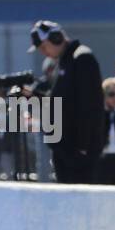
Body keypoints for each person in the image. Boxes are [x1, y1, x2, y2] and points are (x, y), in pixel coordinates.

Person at [29, 18, 104, 183]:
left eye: (43, 47)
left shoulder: (82, 58)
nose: (44, 52)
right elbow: (61, 100)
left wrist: (83, 146)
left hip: (77, 148)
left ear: (56, 39)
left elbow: (89, 104)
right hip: (64, 146)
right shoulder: (62, 63)